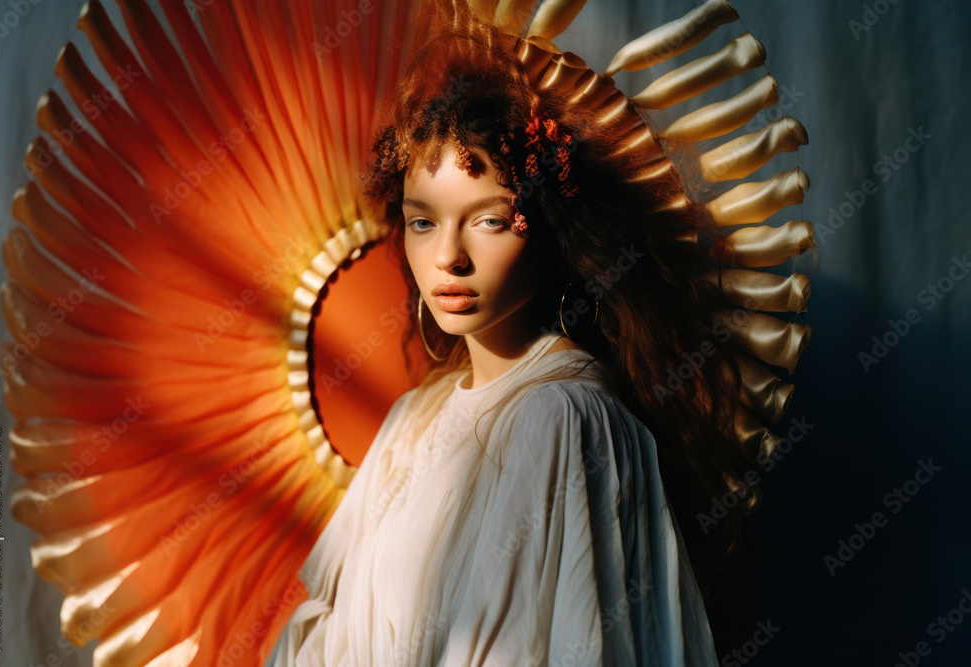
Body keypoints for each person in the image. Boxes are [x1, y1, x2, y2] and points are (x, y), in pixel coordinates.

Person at [273, 6, 756, 665]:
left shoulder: (568, 418)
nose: (449, 256)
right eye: (423, 222)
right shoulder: (411, 420)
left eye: (490, 221)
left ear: (550, 229)